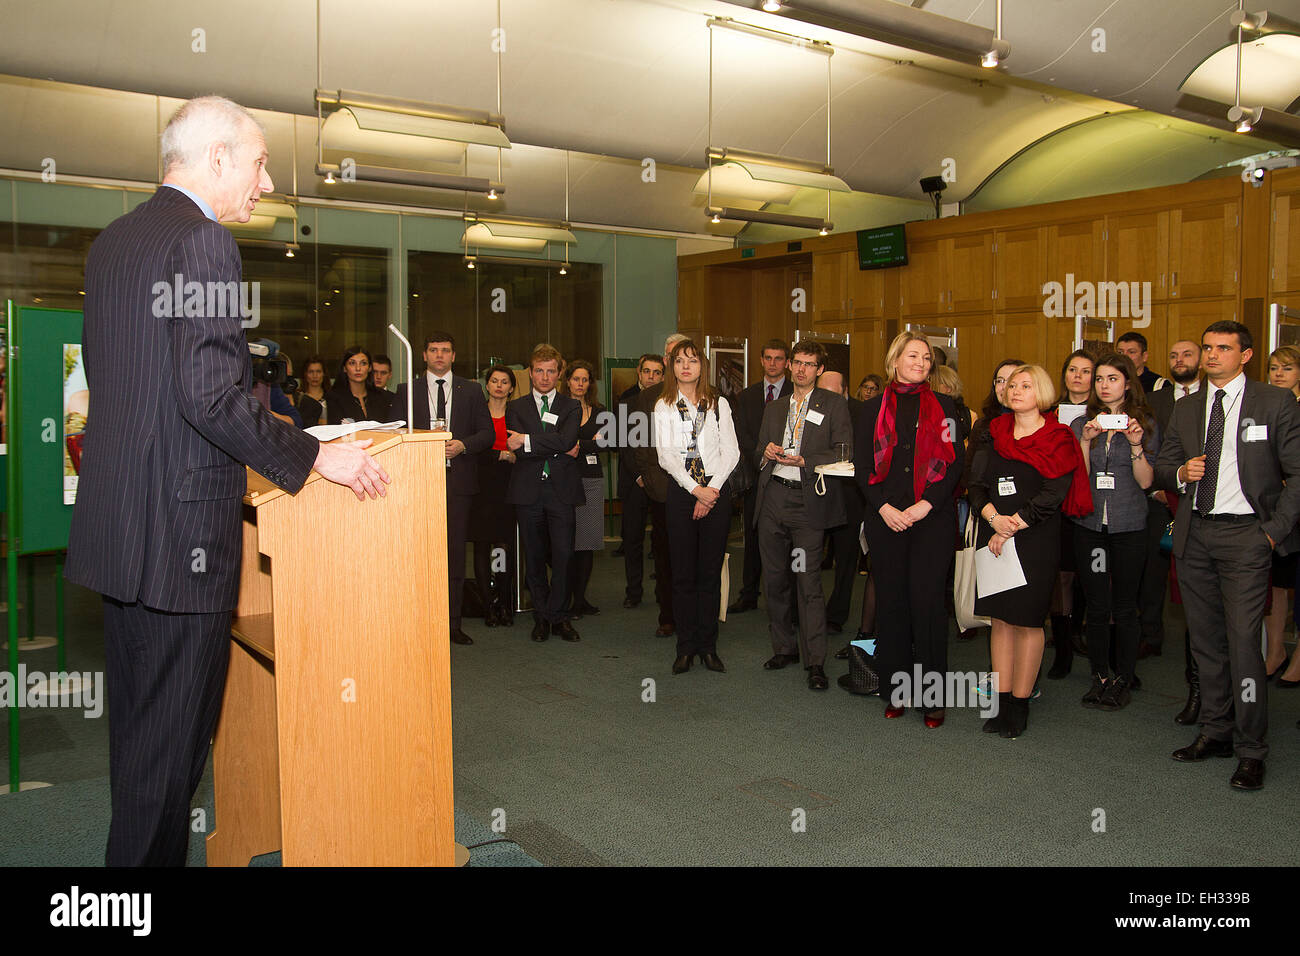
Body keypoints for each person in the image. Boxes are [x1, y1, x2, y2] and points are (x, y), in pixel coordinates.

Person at [64, 95, 389, 867]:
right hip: (181, 547)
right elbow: (208, 396)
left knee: (141, 753)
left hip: (122, 534)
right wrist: (315, 456)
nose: (266, 183)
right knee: (169, 766)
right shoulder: (204, 241)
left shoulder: (114, 242)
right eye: (259, 163)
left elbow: (128, 387)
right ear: (216, 158)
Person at [1156, 321, 1300, 791]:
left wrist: (1273, 533)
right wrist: (1181, 472)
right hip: (1196, 535)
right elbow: (1162, 466)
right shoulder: (1187, 406)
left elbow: (1298, 473)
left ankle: (1251, 748)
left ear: (1246, 355)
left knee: (1243, 644)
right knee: (1205, 643)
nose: (1212, 355)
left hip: (1248, 537)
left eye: (1223, 348)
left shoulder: (1274, 402)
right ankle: (1216, 731)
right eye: (1207, 347)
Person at [969, 365, 1091, 739]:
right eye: (1011, 385)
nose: (1016, 390)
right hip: (993, 534)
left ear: (1042, 392)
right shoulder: (992, 432)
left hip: (1034, 538)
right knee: (1000, 621)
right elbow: (975, 485)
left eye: (1026, 385)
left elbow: (1053, 494)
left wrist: (1012, 525)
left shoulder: (1058, 437)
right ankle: (1001, 701)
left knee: (1027, 622)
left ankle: (1020, 704)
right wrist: (994, 520)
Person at [855, 331, 964, 727]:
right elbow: (862, 467)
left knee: (929, 606)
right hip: (885, 520)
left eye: (925, 358)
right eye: (912, 355)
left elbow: (954, 464)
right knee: (892, 605)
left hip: (930, 520)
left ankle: (933, 697)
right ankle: (896, 689)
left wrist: (924, 506)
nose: (920, 362)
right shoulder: (870, 410)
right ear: (895, 360)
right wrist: (884, 507)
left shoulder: (947, 408)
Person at [754, 344, 853, 691]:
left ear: (819, 369)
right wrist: (765, 452)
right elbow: (757, 451)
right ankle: (784, 649)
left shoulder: (833, 405)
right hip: (773, 497)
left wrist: (805, 461)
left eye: (809, 365)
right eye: (797, 363)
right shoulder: (775, 407)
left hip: (807, 501)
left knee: (808, 582)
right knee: (774, 579)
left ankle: (815, 662)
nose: (801, 370)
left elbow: (844, 452)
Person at [391, 332, 494, 645]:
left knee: (454, 556)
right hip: (418, 484)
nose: (439, 355)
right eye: (433, 350)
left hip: (458, 484)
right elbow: (394, 433)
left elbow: (487, 434)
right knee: (418, 555)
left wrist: (463, 445)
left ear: (453, 356)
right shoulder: (407, 390)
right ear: (423, 355)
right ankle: (419, 623)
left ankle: (452, 624)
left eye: (445, 350)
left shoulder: (471, 390)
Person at [1069, 353, 1158, 711]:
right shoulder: (1082, 423)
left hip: (1129, 525)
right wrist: (1085, 441)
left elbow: (1147, 481)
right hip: (1090, 526)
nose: (1104, 385)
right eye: (1100, 379)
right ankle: (1099, 676)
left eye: (1112, 379)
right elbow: (1079, 478)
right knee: (1096, 604)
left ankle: (1123, 677)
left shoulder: (1145, 423)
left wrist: (1135, 444)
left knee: (1124, 606)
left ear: (1128, 384)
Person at [654, 339, 740, 674]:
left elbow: (731, 451)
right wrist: (696, 491)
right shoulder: (664, 405)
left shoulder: (718, 403)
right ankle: (686, 646)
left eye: (692, 360)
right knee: (683, 574)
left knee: (709, 573)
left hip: (716, 492)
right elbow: (666, 456)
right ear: (672, 367)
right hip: (681, 494)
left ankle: (708, 646)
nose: (686, 366)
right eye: (679, 361)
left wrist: (711, 491)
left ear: (702, 365)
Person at [506, 344, 583, 642]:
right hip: (528, 492)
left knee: (564, 556)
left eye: (551, 371)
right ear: (530, 372)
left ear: (559, 373)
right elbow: (518, 449)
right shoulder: (516, 407)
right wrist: (555, 445)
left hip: (561, 491)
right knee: (535, 557)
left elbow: (567, 440)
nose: (545, 377)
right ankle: (541, 616)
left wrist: (527, 440)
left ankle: (559, 616)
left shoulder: (571, 406)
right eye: (539, 370)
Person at [1147, 340, 1203, 718]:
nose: (1180, 361)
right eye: (1174, 355)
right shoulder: (1168, 404)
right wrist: (1176, 478)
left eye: (1188, 354)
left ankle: (1230, 699)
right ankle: (1196, 691)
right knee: (1192, 608)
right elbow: (1164, 462)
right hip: (1177, 508)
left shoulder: (1255, 404)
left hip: (1234, 526)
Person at [633, 332, 691, 639]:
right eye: (673, 356)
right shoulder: (648, 397)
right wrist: (655, 486)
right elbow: (641, 446)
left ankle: (695, 615)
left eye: (686, 357)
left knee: (694, 556)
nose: (679, 362)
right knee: (665, 556)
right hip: (663, 492)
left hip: (697, 491)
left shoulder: (705, 395)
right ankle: (668, 616)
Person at [729, 339, 792, 615]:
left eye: (778, 358)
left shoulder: (796, 393)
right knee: (753, 536)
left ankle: (787, 598)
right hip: (757, 475)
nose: (772, 363)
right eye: (768, 358)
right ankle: (749, 593)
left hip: (790, 475)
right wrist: (762, 456)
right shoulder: (747, 396)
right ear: (761, 360)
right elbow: (741, 435)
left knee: (787, 539)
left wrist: (781, 456)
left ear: (787, 363)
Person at [1045, 349, 1095, 677]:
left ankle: (1079, 632)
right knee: (1061, 577)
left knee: (1088, 576)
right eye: (1072, 369)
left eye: (1085, 371)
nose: (1078, 376)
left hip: (1091, 505)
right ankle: (1063, 648)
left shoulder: (1104, 414)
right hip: (1056, 506)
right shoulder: (1049, 412)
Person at [818, 370, 871, 648]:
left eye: (832, 393)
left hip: (851, 496)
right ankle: (806, 610)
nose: (826, 398)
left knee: (846, 559)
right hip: (819, 492)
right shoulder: (812, 408)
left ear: (845, 391)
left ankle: (836, 614)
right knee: (807, 556)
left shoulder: (862, 413)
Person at [470, 365, 519, 628]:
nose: (499, 386)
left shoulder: (517, 414)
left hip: (508, 485)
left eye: (504, 382)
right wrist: (499, 454)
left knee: (503, 547)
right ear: (486, 385)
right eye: (494, 381)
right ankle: (487, 606)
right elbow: (470, 447)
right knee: (481, 546)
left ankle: (504, 604)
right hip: (481, 485)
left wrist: (513, 456)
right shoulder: (476, 414)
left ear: (511, 388)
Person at [617, 354, 665, 609]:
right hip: (634, 480)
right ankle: (633, 591)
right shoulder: (626, 402)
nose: (651, 377)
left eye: (657, 372)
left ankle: (662, 592)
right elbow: (624, 445)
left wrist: (654, 477)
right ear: (639, 372)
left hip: (662, 481)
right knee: (633, 539)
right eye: (647, 371)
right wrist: (640, 475)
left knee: (662, 540)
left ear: (663, 376)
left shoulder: (669, 401)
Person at [1265, 346, 1300, 680]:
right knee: (1274, 583)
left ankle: (1299, 658)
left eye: (1287, 368)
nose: (1278, 374)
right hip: (1274, 506)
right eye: (1274, 367)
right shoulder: (1266, 406)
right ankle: (1275, 651)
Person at [564, 359, 605, 618]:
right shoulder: (557, 410)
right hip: (562, 481)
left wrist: (578, 445)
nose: (580, 384)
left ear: (590, 384)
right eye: (576, 379)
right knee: (565, 543)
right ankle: (565, 597)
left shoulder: (600, 412)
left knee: (586, 543)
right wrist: (589, 441)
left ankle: (580, 600)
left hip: (591, 480)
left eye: (585, 379)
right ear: (567, 381)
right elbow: (556, 442)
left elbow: (606, 444)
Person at [328, 346, 393, 424]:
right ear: (344, 368)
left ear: (369, 368)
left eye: (363, 363)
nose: (358, 368)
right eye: (352, 363)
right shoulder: (334, 398)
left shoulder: (382, 397)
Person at [299, 354, 330, 427]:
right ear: (305, 374)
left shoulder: (331, 397)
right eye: (311, 372)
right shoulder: (299, 398)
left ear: (324, 374)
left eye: (318, 371)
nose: (315, 376)